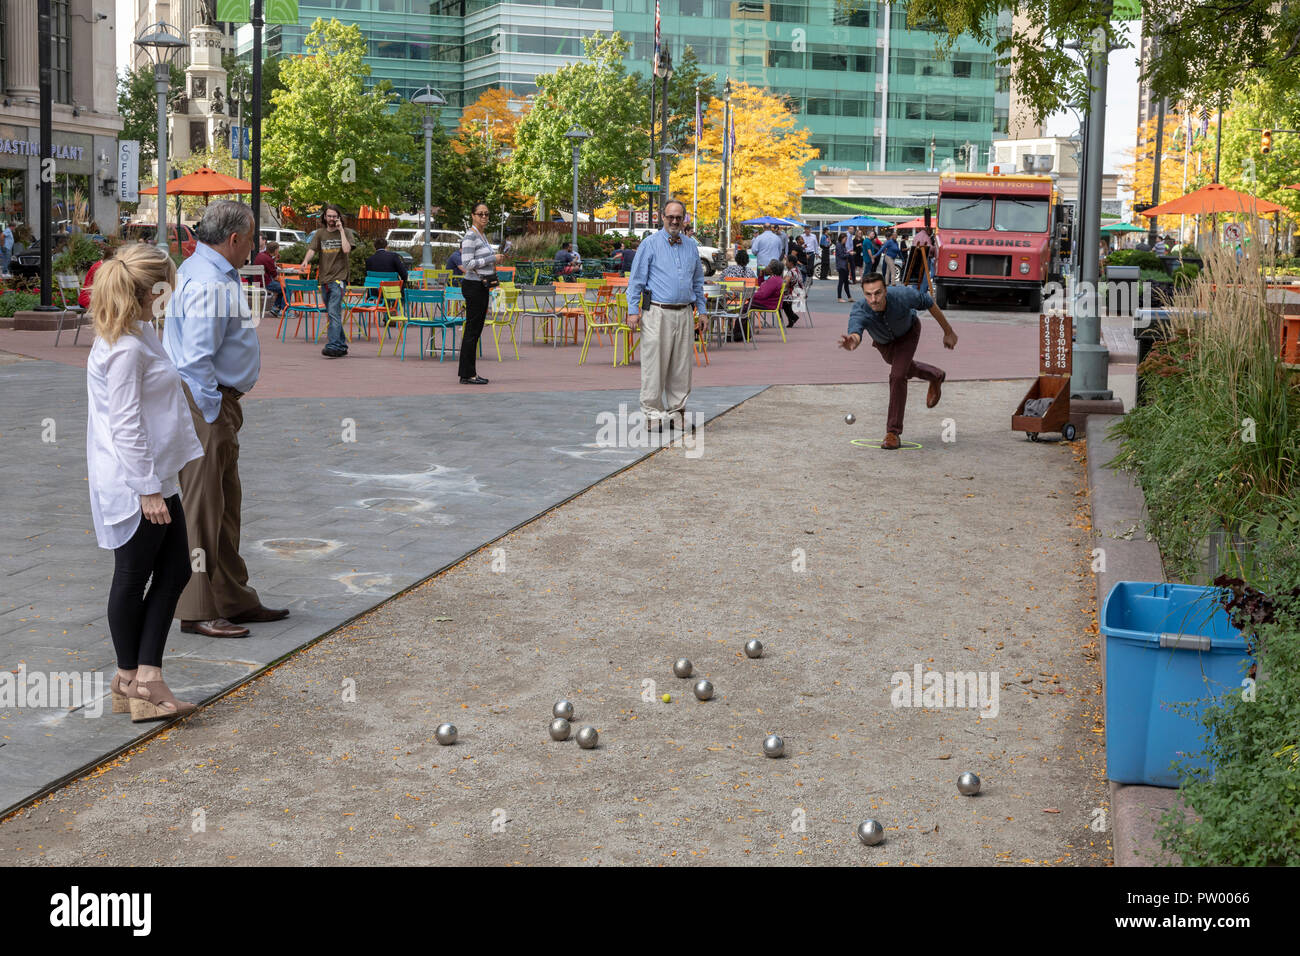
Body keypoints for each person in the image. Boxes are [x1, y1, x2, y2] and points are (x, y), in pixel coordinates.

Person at [87, 244, 205, 721]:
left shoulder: (137, 334)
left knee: (175, 570)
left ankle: (134, 678)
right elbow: (126, 424)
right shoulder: (126, 348)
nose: (170, 296)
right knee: (134, 574)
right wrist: (147, 488)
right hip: (137, 480)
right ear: (153, 291)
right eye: (167, 287)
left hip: (154, 475)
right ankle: (138, 680)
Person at [164, 200, 288, 638]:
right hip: (205, 402)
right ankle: (197, 609)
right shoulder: (210, 282)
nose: (254, 247)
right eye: (252, 239)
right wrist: (214, 410)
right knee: (203, 507)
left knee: (225, 503)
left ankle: (232, 597)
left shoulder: (206, 273)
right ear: (234, 239)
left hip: (211, 401)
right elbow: (196, 359)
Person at [838, 273, 958, 450]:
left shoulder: (902, 295)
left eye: (878, 293)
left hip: (908, 334)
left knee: (897, 375)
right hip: (883, 344)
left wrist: (948, 331)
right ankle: (935, 375)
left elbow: (929, 302)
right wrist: (853, 341)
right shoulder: (860, 309)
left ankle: (892, 432)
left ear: (885, 291)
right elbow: (855, 331)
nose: (874, 299)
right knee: (904, 369)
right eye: (868, 294)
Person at [626, 198, 705, 431]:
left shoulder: (691, 246)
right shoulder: (649, 244)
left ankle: (677, 411)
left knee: (681, 366)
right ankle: (652, 414)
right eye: (670, 217)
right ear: (662, 217)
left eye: (678, 217)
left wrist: (703, 311)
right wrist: (633, 312)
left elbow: (698, 282)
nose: (674, 221)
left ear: (684, 219)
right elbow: (636, 281)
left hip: (684, 312)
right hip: (657, 312)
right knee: (654, 365)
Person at [459, 201, 506, 385]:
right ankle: (467, 374)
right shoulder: (471, 236)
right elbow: (467, 263)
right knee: (472, 330)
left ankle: (468, 372)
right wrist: (491, 258)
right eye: (480, 214)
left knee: (476, 330)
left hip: (482, 286)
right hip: (474, 285)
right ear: (472, 215)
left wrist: (493, 260)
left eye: (486, 214)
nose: (484, 217)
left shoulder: (482, 236)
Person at [302, 204, 357, 358]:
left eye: (334, 216)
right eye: (329, 216)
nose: (332, 219)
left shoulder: (346, 232)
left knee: (333, 312)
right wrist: (306, 261)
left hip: (339, 279)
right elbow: (312, 249)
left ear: (339, 217)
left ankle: (333, 345)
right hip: (325, 279)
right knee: (332, 313)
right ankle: (341, 345)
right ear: (324, 217)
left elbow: (346, 250)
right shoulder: (320, 233)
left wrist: (341, 231)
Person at [253, 240, 283, 317]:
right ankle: (279, 309)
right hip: (265, 283)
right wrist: (284, 282)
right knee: (285, 288)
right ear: (276, 250)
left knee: (282, 287)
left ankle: (276, 308)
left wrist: (274, 260)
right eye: (278, 249)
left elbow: (267, 266)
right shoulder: (268, 259)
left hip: (256, 282)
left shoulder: (260, 255)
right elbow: (275, 277)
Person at [835, 233, 853, 301]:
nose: (846, 240)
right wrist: (849, 254)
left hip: (844, 265)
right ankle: (839, 298)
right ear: (842, 238)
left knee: (846, 282)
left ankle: (849, 297)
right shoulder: (839, 245)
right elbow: (841, 255)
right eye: (845, 239)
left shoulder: (842, 245)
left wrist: (847, 253)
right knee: (841, 282)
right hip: (841, 266)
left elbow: (844, 253)